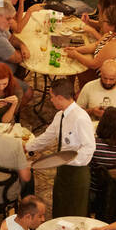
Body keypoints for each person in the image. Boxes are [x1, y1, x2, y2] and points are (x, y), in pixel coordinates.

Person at [26, 78, 95, 218]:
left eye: (51, 97)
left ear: (59, 97)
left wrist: (67, 160)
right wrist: (27, 147)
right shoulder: (60, 115)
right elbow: (48, 137)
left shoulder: (80, 118)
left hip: (77, 173)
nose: (50, 100)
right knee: (60, 206)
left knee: (74, 212)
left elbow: (89, 147)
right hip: (62, 170)